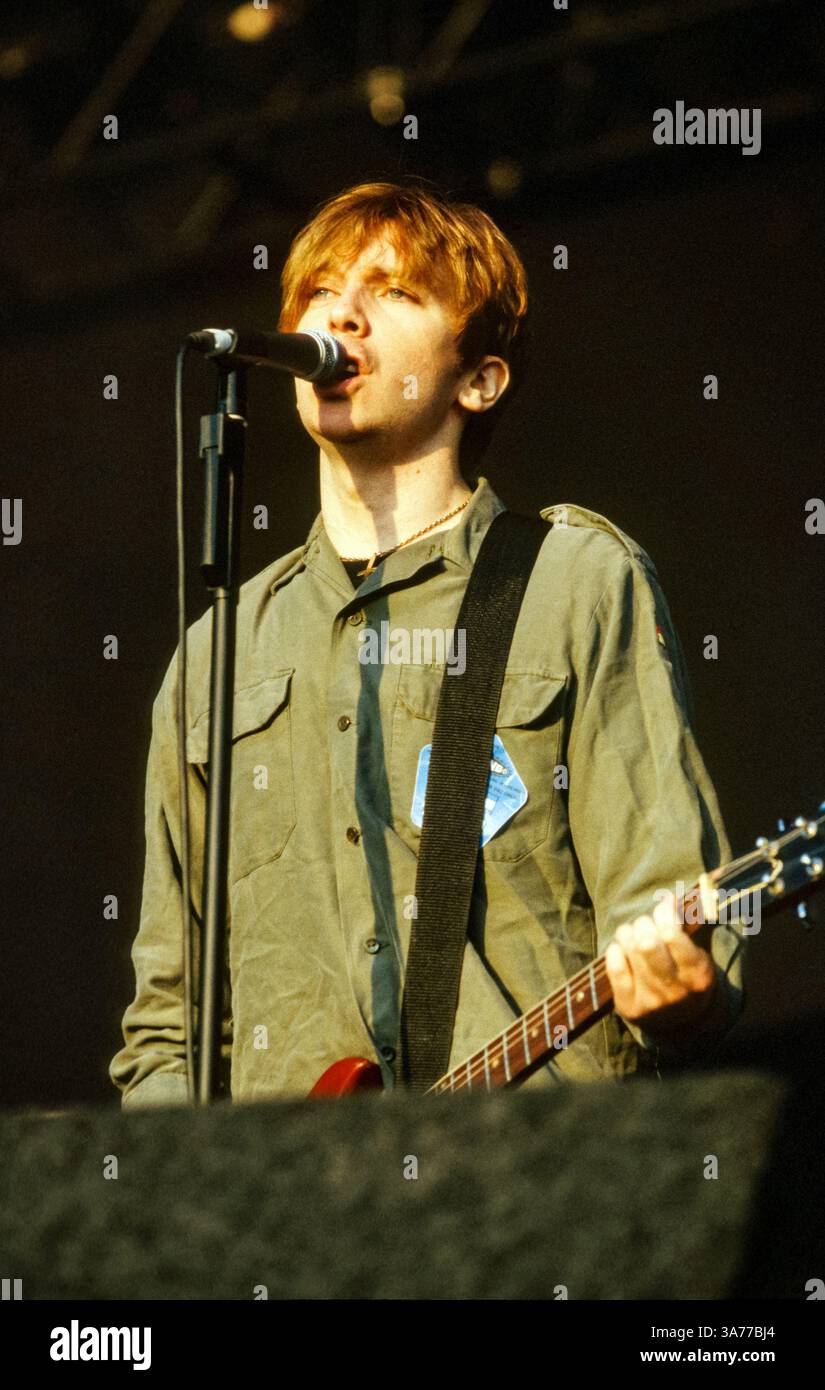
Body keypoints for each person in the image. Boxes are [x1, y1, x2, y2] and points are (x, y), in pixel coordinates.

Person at [110, 180, 746, 1108]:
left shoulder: (568, 582)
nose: (344, 314)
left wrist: (681, 993)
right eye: (321, 290)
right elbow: (167, 1031)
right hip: (281, 1233)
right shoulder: (216, 655)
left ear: (479, 377)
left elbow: (673, 922)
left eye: (395, 292)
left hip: (532, 1194)